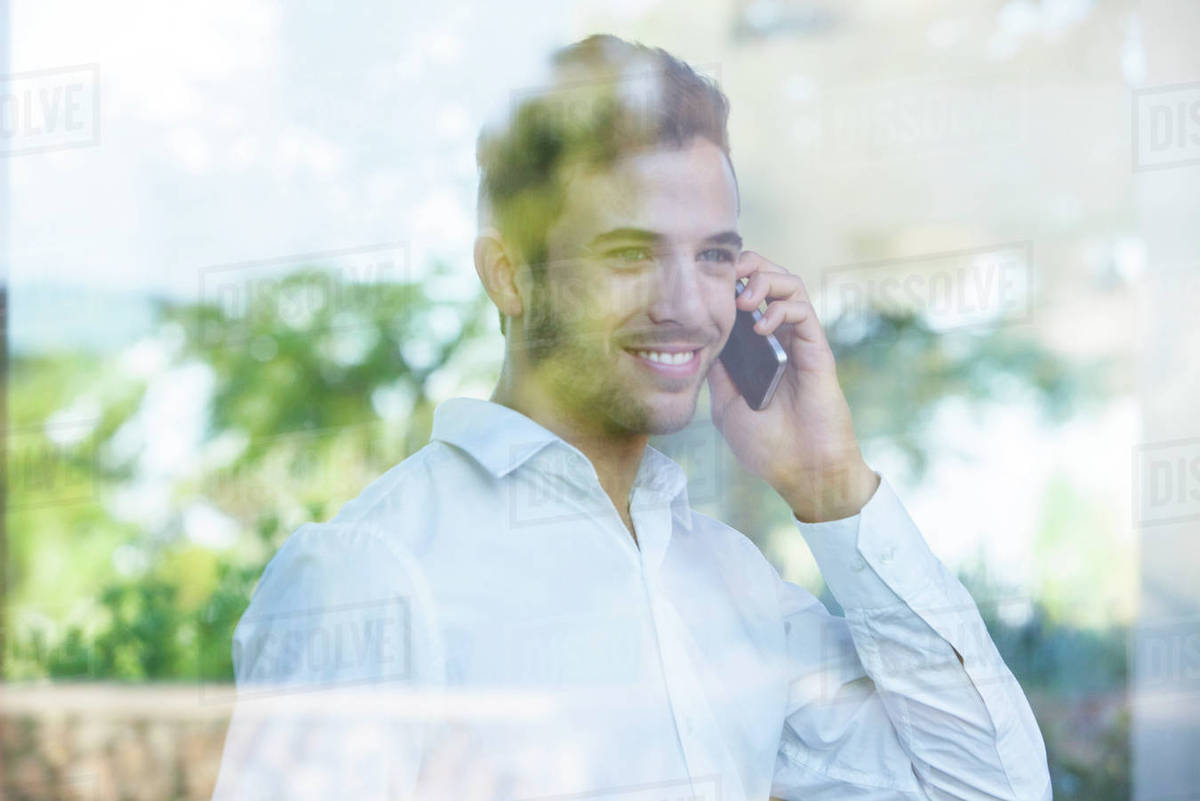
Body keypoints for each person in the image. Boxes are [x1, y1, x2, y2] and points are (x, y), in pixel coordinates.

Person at [211, 34, 1052, 801]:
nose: (687, 306)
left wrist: (832, 485)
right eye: (630, 254)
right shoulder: (373, 571)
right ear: (508, 275)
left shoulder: (729, 580)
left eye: (714, 255)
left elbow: (990, 788)